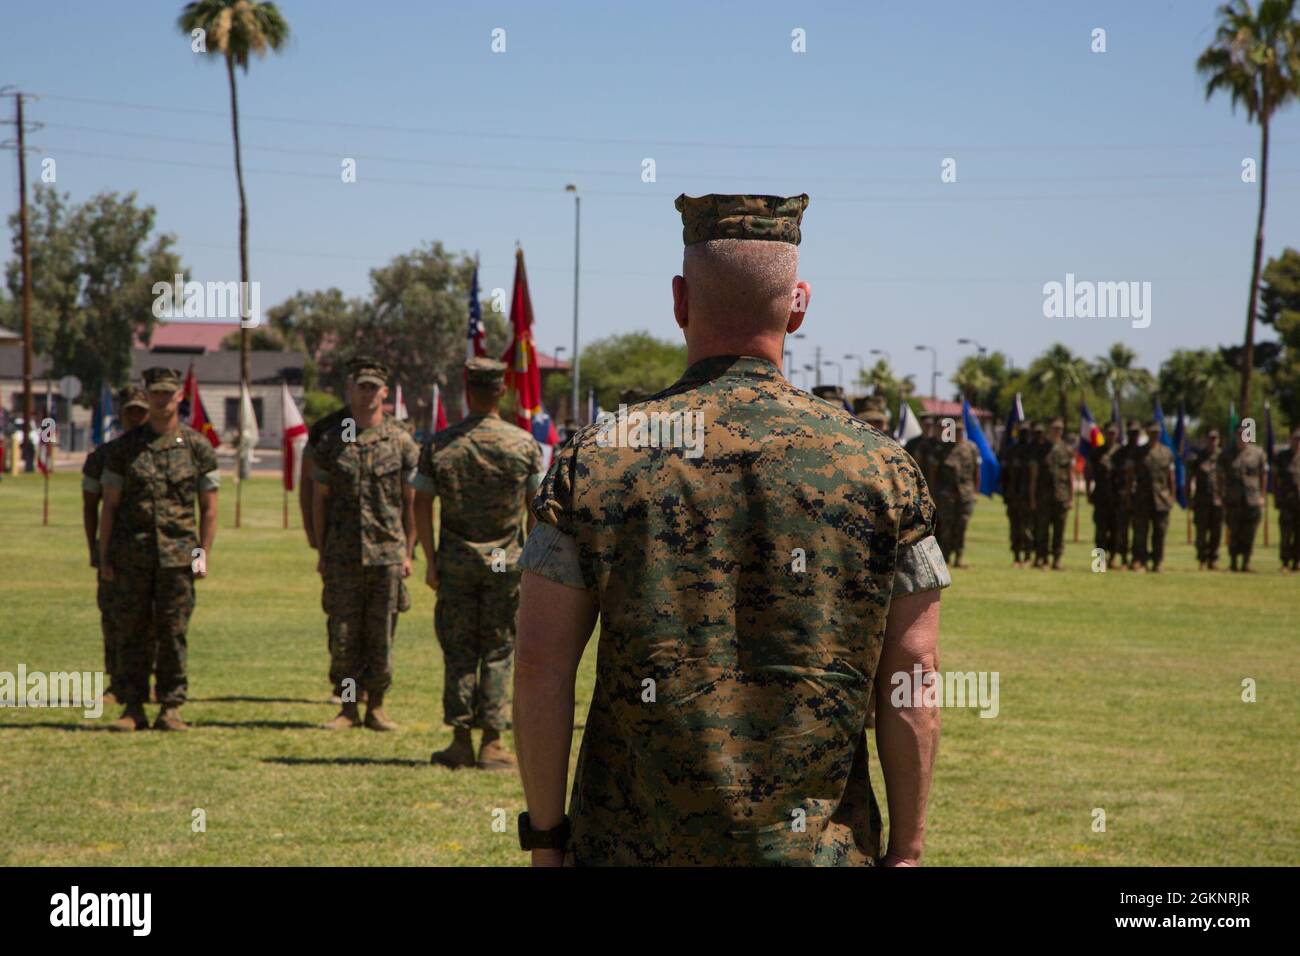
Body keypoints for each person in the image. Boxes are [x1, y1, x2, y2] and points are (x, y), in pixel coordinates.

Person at [512, 192, 949, 866]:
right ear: (798, 304)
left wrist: (545, 839)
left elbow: (541, 663)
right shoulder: (883, 468)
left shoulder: (594, 459)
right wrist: (910, 850)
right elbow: (915, 672)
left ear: (681, 301)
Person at [415, 357, 544, 771]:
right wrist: (530, 560)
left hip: (455, 565)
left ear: (466, 389)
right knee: (498, 650)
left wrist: (431, 562)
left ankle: (459, 741)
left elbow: (419, 503)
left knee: (458, 651)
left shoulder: (440, 443)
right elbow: (536, 509)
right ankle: (492, 742)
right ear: (502, 391)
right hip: (505, 567)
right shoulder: (523, 444)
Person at [98, 368, 219, 732]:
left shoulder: (197, 447)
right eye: (156, 393)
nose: (163, 400)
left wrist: (202, 554)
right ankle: (132, 707)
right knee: (132, 631)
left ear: (179, 397)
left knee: (173, 631)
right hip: (132, 556)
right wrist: (104, 557)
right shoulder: (124, 448)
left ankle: (170, 706)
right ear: (147, 397)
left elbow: (209, 507)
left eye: (169, 393)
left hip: (178, 558)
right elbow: (110, 508)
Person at [312, 357, 419, 730]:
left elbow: (411, 503)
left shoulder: (402, 440)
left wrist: (408, 552)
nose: (368, 392)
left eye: (375, 386)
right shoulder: (333, 440)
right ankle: (347, 708)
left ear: (385, 393)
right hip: (341, 554)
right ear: (350, 389)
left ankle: (376, 706)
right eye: (362, 385)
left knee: (381, 636)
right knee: (342, 635)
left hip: (387, 554)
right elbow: (319, 500)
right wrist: (321, 550)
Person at [82, 386, 150, 708]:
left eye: (142, 411)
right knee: (113, 618)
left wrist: (197, 561)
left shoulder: (169, 452)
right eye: (130, 412)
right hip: (116, 552)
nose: (136, 418)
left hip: (157, 553)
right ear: (121, 415)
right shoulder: (103, 456)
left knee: (157, 621)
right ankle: (117, 683)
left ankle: (149, 683)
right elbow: (91, 505)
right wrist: (95, 550)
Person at [1219, 424, 1268, 573]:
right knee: (1234, 532)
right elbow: (1219, 476)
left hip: (1252, 499)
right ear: (1236, 435)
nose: (1242, 437)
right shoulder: (1226, 454)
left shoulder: (1258, 453)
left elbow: (1263, 475)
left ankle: (1246, 563)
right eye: (1240, 434)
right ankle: (1233, 563)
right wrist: (1222, 495)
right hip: (1233, 500)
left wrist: (1262, 496)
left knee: (1250, 532)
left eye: (1245, 434)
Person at [1130, 421, 1176, 573]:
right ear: (1147, 433)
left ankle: (1158, 562)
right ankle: (1140, 561)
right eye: (1152, 432)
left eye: (1157, 432)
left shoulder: (1166, 452)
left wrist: (1172, 496)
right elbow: (1130, 475)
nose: (1155, 434)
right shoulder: (1138, 452)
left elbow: (1171, 477)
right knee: (1140, 532)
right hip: (1142, 498)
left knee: (1160, 532)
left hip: (1161, 499)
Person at [932, 418, 979, 568]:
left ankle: (959, 557)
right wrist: (934, 493)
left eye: (960, 430)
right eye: (955, 430)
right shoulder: (942, 449)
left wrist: (975, 492)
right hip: (946, 495)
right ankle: (945, 558)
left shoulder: (971, 448)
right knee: (946, 527)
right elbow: (934, 473)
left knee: (962, 526)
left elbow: (976, 472)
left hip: (965, 494)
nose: (957, 432)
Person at [1029, 419, 1073, 570]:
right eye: (1055, 428)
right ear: (1050, 429)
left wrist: (1071, 498)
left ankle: (1057, 559)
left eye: (1060, 429)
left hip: (1061, 496)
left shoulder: (1066, 450)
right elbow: (1034, 476)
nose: (1057, 431)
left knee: (1059, 530)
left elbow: (1070, 476)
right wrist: (1033, 497)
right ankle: (1042, 558)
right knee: (1042, 529)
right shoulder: (1041, 449)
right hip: (1043, 496)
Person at [1188, 429, 1225, 570]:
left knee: (1216, 532)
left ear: (1219, 440)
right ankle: (1202, 559)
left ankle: (1213, 559)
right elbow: (1189, 478)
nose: (1212, 441)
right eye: (1210, 438)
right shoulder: (1197, 457)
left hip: (1218, 501)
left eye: (1215, 438)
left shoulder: (1224, 457)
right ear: (1206, 439)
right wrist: (1189, 498)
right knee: (1201, 533)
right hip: (1201, 500)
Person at [1085, 423, 1121, 568]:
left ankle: (1112, 558)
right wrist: (1088, 493)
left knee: (1116, 530)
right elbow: (1088, 474)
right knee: (1100, 532)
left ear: (1117, 434)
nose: (1111, 435)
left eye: (1113, 433)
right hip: (1100, 497)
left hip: (1117, 498)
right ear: (1104, 434)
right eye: (1109, 433)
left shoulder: (1121, 452)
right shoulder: (1096, 453)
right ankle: (1099, 562)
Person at [1000, 423, 1034, 567]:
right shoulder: (1010, 451)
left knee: (1028, 528)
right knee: (1015, 528)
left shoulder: (1033, 451)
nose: (1024, 435)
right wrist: (1006, 494)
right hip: (1013, 497)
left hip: (1028, 497)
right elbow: (1004, 476)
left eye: (1026, 432)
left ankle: (1027, 556)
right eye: (1021, 432)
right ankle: (1016, 557)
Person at [1276, 428, 1300, 572]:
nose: (1298, 442)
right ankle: (1285, 562)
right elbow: (1275, 479)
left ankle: (1297, 561)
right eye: (1296, 439)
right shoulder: (1282, 456)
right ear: (1291, 439)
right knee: (1285, 533)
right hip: (1286, 501)